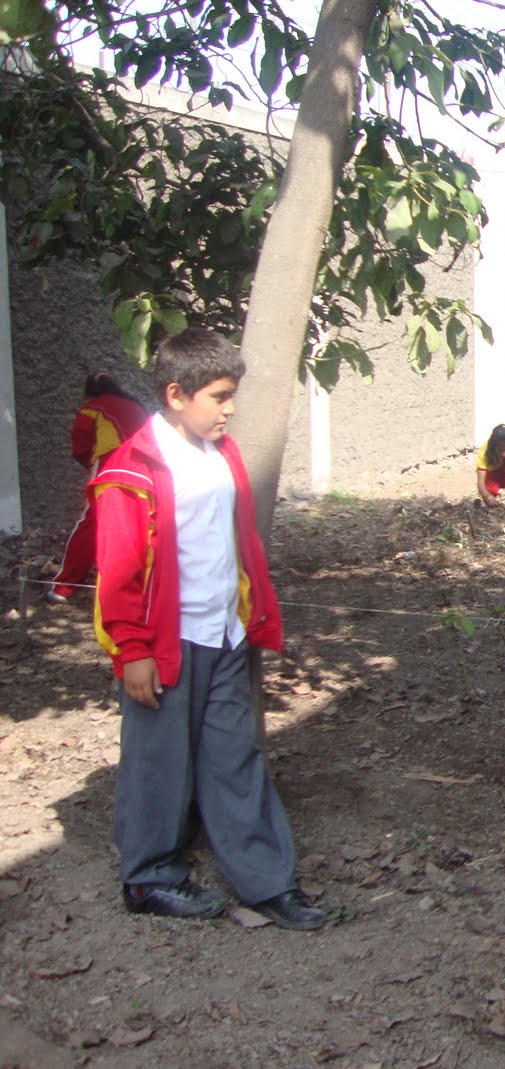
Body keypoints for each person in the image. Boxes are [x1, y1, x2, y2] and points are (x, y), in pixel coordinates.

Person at [90, 329, 325, 931]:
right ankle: (147, 877)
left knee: (234, 758)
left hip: (224, 635)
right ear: (176, 394)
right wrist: (133, 650)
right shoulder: (131, 469)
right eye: (219, 397)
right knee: (157, 763)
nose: (230, 409)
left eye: (232, 396)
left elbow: (236, 543)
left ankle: (268, 881)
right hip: (166, 644)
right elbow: (118, 571)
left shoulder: (223, 455)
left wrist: (253, 614)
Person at [47, 373, 151, 603]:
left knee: (90, 522)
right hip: (147, 465)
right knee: (142, 522)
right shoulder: (137, 406)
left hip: (111, 464)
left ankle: (64, 586)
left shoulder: (92, 408)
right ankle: (142, 584)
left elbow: (79, 447)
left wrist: (92, 465)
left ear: (89, 392)